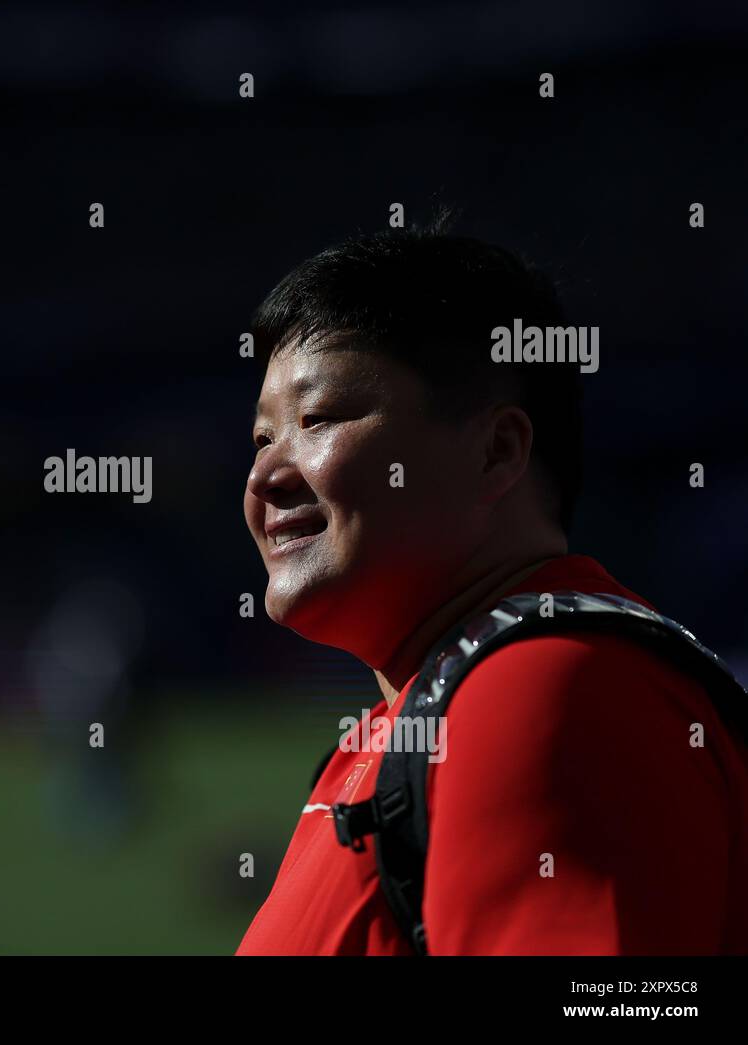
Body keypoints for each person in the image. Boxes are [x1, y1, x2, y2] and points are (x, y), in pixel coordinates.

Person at [236, 216, 748, 955]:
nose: (265, 476)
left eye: (318, 418)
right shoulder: (418, 717)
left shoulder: (543, 689)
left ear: (498, 451)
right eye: (261, 438)